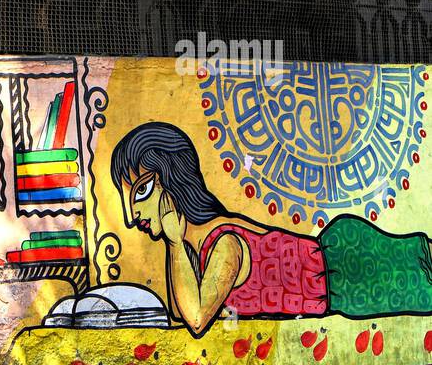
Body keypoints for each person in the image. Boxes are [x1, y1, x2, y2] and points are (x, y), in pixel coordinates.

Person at [112, 121, 432, 335]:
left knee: (423, 274)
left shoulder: (225, 244)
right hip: (345, 273)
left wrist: (174, 244)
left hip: (349, 273)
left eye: (140, 191)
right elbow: (181, 313)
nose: (131, 214)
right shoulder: (191, 246)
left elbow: (196, 319)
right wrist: (175, 245)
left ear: (172, 178)